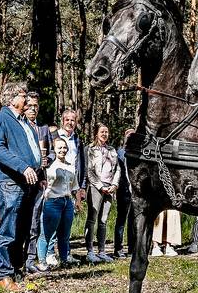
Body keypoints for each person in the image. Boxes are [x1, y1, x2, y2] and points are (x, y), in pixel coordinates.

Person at [0, 82, 43, 292]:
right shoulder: (0, 119)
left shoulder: (25, 122)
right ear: (12, 99)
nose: (26, 98)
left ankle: (16, 270)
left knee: (23, 229)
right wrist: (23, 167)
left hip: (30, 182)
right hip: (11, 181)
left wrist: (38, 172)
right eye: (22, 95)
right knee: (8, 228)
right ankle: (3, 275)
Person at [46, 108, 85, 264]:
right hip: (54, 184)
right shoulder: (53, 136)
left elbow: (81, 163)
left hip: (70, 184)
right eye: (67, 119)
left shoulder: (77, 140)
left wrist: (81, 186)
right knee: (52, 223)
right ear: (62, 120)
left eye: (73, 120)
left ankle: (65, 254)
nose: (70, 122)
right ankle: (49, 254)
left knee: (66, 224)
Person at [38, 138, 78, 269]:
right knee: (47, 234)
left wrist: (77, 200)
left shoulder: (70, 165)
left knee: (65, 234)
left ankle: (64, 260)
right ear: (54, 150)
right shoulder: (50, 166)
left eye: (64, 147)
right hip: (53, 202)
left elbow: (74, 186)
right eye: (59, 148)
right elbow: (44, 184)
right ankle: (42, 262)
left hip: (67, 202)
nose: (62, 150)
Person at [84, 123, 121, 264]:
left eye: (106, 132)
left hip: (110, 188)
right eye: (102, 132)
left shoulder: (112, 150)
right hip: (96, 187)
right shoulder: (90, 149)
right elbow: (89, 170)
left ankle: (102, 251)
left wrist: (115, 184)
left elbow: (117, 169)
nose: (104, 134)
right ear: (96, 133)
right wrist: (100, 186)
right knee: (92, 219)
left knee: (103, 220)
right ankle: (90, 251)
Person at [23, 93, 51, 274]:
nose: (33, 109)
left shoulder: (43, 129)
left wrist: (48, 159)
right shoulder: (18, 125)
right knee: (20, 222)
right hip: (21, 180)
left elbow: (52, 151)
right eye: (30, 105)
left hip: (38, 181)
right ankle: (16, 260)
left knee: (35, 222)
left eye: (36, 106)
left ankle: (30, 260)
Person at [112, 127, 136, 260]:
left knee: (133, 220)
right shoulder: (120, 152)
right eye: (128, 135)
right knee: (121, 220)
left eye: (133, 135)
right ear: (124, 137)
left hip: (135, 191)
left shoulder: (137, 153)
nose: (130, 137)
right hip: (123, 190)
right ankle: (118, 248)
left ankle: (132, 248)